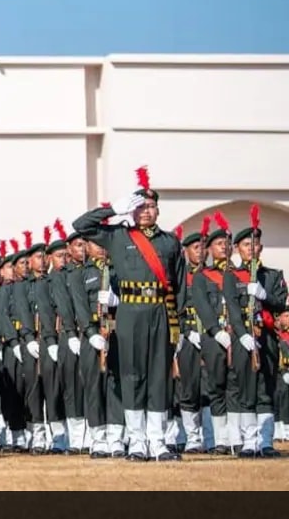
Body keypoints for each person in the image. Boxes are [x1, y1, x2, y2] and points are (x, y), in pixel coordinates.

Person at [72, 166, 185, 462]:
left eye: (150, 207)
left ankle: (158, 441)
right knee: (132, 375)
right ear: (131, 211)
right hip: (130, 311)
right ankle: (136, 441)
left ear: (158, 211)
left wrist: (180, 326)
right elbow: (80, 225)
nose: (146, 211)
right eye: (140, 207)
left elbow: (180, 287)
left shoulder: (170, 242)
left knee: (159, 376)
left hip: (159, 311)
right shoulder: (117, 237)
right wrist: (111, 209)